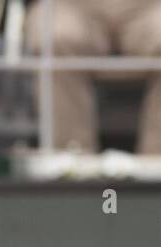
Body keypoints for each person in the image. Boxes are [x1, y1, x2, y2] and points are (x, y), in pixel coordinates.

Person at [24, 0, 161, 155]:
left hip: (151, 6)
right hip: (69, 5)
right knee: (55, 35)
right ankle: (71, 164)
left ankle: (157, 164)